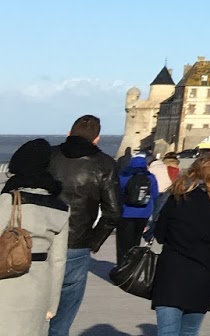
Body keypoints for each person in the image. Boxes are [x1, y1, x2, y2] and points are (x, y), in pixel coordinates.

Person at [47, 115, 121, 336]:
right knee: (62, 319)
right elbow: (114, 211)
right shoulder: (105, 164)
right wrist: (94, 241)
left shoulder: (49, 156)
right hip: (77, 245)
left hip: (44, 240)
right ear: (97, 139)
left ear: (69, 133)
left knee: (36, 310)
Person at [150, 152, 210, 336]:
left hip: (171, 274)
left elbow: (160, 235)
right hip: (203, 276)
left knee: (167, 333)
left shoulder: (178, 196)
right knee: (189, 332)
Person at [0, 140, 71, 336]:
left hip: (5, 282)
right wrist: (52, 304)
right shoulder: (60, 208)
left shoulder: (5, 200)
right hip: (38, 287)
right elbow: (58, 260)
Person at [115, 152, 161, 264]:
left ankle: (122, 267)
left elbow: (117, 193)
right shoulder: (151, 177)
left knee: (123, 244)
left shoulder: (123, 176)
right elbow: (155, 196)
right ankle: (132, 267)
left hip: (126, 213)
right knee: (136, 242)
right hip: (144, 214)